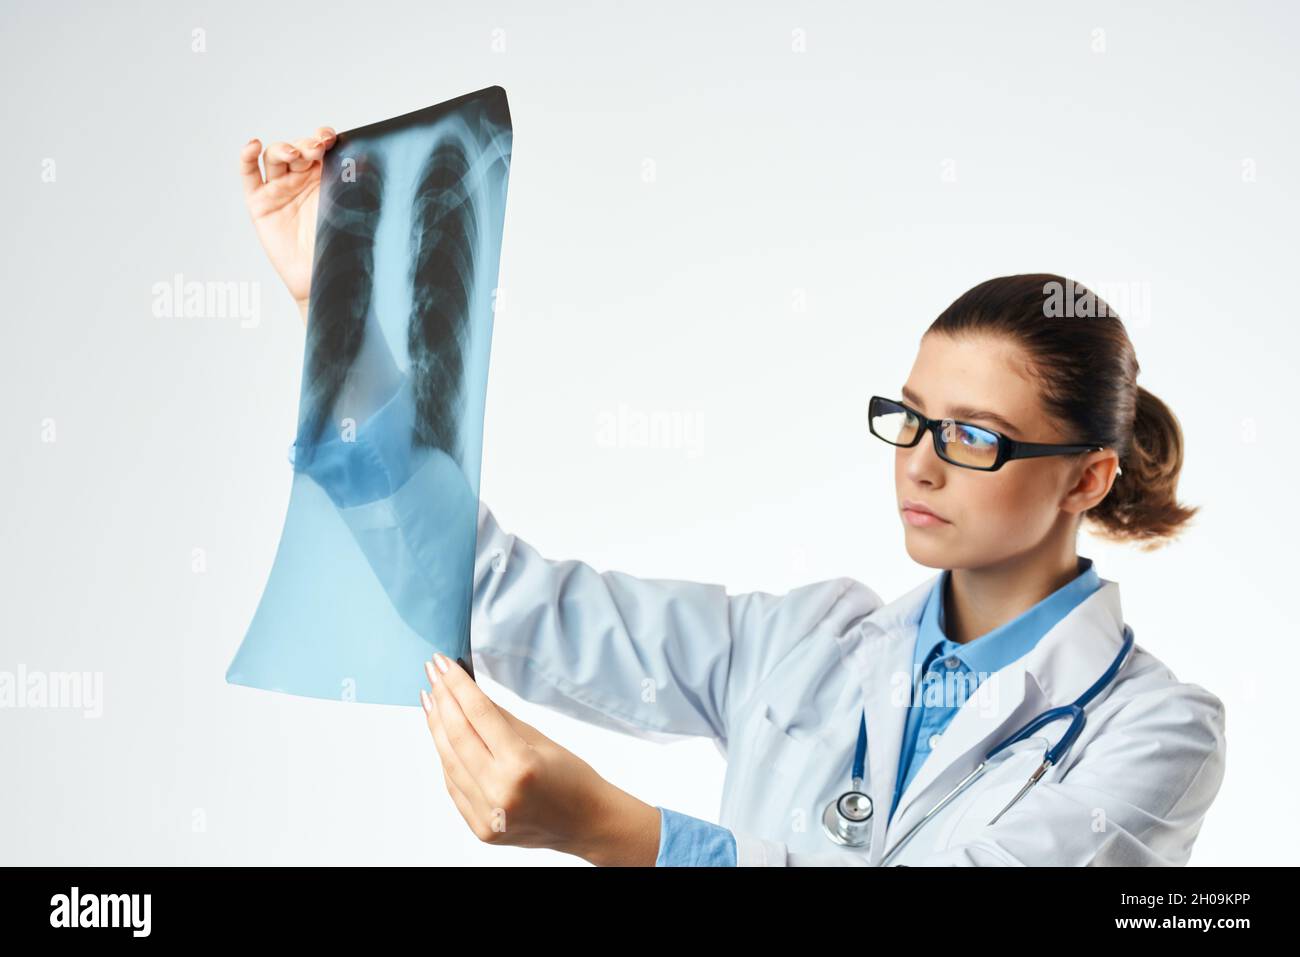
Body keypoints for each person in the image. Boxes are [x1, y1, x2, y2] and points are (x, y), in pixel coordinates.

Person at [237, 129, 1227, 867]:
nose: (918, 464)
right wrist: (334, 314)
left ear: (1087, 476)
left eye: (972, 436)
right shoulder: (804, 642)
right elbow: (495, 595)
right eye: (909, 418)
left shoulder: (1153, 732)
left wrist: (620, 833)